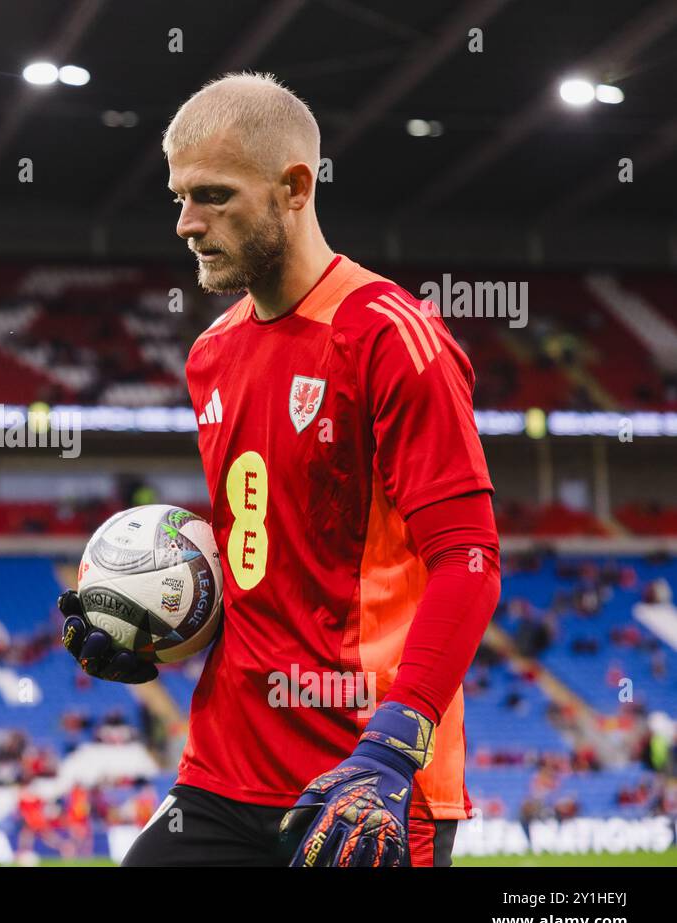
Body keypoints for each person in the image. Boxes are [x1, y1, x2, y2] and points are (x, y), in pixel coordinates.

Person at [57, 73, 501, 867]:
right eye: (178, 198)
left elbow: (469, 560)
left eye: (214, 196)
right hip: (225, 772)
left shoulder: (392, 337)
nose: (187, 224)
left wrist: (396, 744)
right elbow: (269, 562)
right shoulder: (211, 355)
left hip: (364, 782)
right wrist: (156, 632)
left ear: (295, 188)